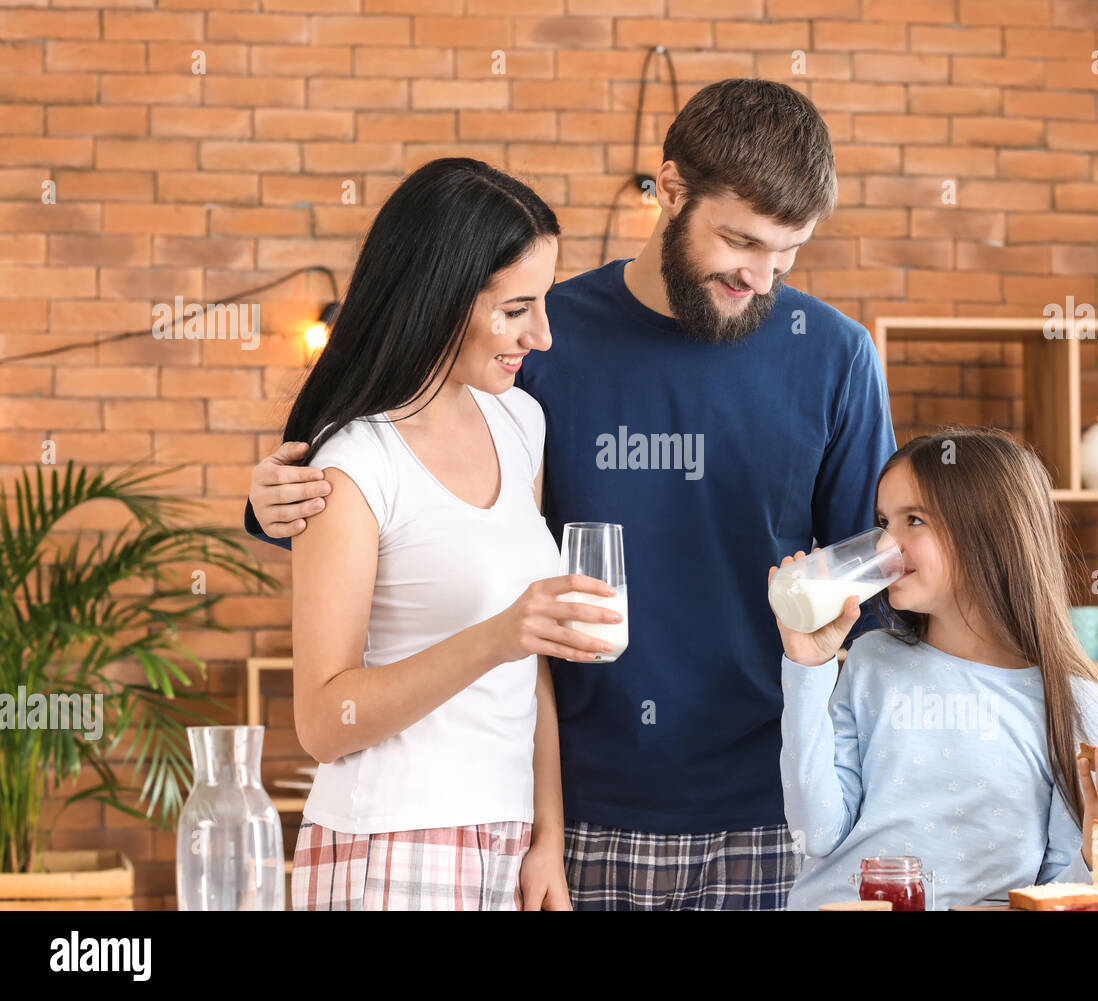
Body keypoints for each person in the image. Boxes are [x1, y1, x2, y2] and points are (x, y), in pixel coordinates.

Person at [246, 79, 897, 910]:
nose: (761, 276)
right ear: (669, 189)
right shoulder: (542, 343)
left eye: (788, 251)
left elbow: (874, 573)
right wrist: (270, 499)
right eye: (740, 241)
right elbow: (403, 483)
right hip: (571, 815)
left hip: (768, 812)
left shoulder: (835, 357)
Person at [284, 157, 619, 910]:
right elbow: (322, 722)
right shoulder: (354, 462)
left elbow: (530, 663)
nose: (543, 334)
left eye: (545, 304)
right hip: (394, 845)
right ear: (441, 300)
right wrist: (500, 633)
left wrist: (547, 838)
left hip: (509, 839)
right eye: (515, 310)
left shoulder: (520, 423)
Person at [772, 428, 1098, 910]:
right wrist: (808, 668)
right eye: (883, 522)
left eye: (913, 520)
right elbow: (817, 833)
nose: (887, 546)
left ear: (988, 533)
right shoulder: (872, 660)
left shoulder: (1071, 700)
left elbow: (1059, 892)